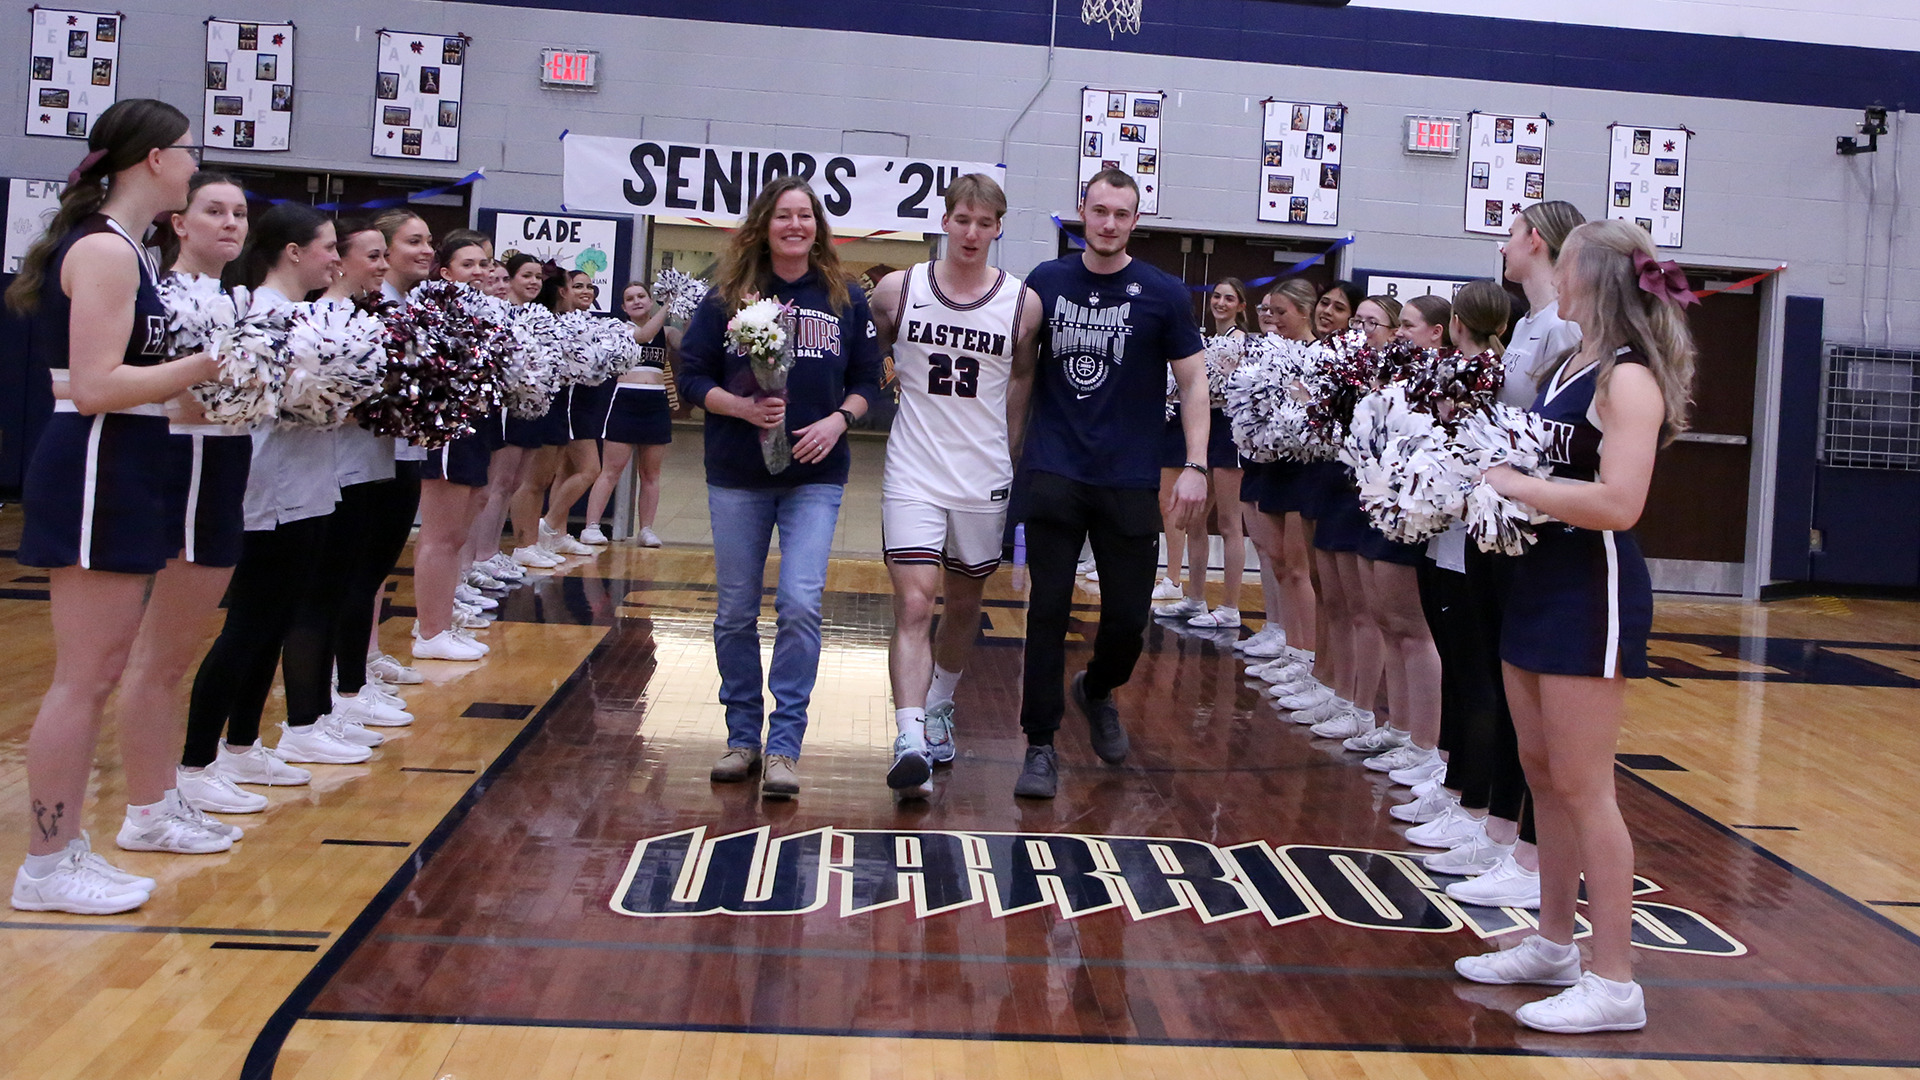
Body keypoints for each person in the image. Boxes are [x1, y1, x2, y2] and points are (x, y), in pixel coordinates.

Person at [1454, 219, 1696, 1035]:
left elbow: (1621, 504)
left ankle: (1617, 981)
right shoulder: (1571, 363)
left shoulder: (1629, 379)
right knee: (1542, 773)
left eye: (1567, 263)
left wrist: (1516, 486)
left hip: (1592, 591)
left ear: (1595, 277)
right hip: (1539, 577)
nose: (1554, 273)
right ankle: (1553, 944)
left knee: (1588, 788)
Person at [8, 101, 236, 914]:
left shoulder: (126, 248)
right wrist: (209, 363)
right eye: (188, 151)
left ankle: (66, 850)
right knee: (84, 678)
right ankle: (46, 866)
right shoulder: (105, 250)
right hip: (96, 465)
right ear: (154, 160)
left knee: (99, 673)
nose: (194, 164)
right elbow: (97, 386)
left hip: (125, 463)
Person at [678, 177, 882, 800]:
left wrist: (837, 420)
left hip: (815, 476)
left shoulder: (845, 297)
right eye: (784, 215)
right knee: (736, 611)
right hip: (737, 475)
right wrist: (742, 408)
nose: (795, 225)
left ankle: (785, 746)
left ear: (818, 227)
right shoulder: (727, 297)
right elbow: (691, 378)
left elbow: (868, 382)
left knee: (799, 603)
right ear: (764, 226)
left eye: (805, 216)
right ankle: (743, 738)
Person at [1013, 168, 1208, 799]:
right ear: (1082, 211)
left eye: (1121, 214)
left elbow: (1194, 384)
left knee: (1128, 619)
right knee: (1047, 610)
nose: (1108, 223)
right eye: (1099, 211)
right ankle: (1040, 745)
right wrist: (1008, 455)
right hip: (1054, 468)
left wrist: (1197, 465)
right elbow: (1019, 372)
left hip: (1128, 476)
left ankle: (1096, 689)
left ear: (1135, 220)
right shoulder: (1046, 281)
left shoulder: (1163, 293)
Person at [184, 204, 380, 780]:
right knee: (247, 627)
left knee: (273, 623)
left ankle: (242, 747)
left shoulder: (310, 317)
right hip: (266, 488)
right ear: (294, 252)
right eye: (329, 247)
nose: (336, 259)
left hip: (310, 483)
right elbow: (235, 401)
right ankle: (196, 762)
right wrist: (314, 396)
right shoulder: (257, 314)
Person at [868, 173, 1040, 799]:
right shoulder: (898, 289)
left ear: (998, 229)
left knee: (965, 605)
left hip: (982, 473)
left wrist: (1009, 451)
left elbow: (1022, 380)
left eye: (984, 223)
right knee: (915, 605)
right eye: (962, 220)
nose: (971, 232)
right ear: (944, 221)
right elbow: (867, 357)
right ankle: (909, 736)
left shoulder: (1022, 304)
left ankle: (940, 704)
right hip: (913, 468)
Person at [1436, 201, 1587, 910]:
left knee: (1528, 701)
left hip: (1541, 530)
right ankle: (1499, 828)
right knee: (1501, 682)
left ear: (1537, 241)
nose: (1502, 245)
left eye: (1510, 232)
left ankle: (1529, 849)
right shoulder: (1527, 324)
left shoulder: (1564, 327)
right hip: (1502, 519)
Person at [160, 172, 301, 816]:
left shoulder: (237, 304)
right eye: (213, 211)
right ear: (179, 223)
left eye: (239, 213)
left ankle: (201, 766)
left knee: (194, 640)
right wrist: (231, 393)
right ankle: (179, 777)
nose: (229, 223)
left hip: (226, 461)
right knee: (169, 651)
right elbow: (174, 399)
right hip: (181, 465)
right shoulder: (164, 297)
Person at [1398, 280, 1522, 878]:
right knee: (1461, 665)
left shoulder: (1485, 379)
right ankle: (1456, 783)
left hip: (1470, 536)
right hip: (1445, 532)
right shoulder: (1453, 375)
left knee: (1475, 673)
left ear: (1453, 325)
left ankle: (1476, 802)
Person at [409, 234, 497, 662]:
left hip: (475, 425)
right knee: (440, 535)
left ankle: (441, 622)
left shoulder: (484, 312)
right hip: (446, 428)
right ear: (445, 273)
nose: (479, 271)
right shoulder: (435, 311)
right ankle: (429, 632)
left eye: (484, 264)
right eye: (468, 265)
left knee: (459, 530)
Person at [1239, 279, 1323, 676]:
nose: (1272, 318)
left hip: (1302, 467)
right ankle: (1290, 648)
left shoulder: (1321, 356)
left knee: (1298, 567)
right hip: (1268, 461)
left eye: (1281, 312)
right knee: (1278, 562)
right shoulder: (1268, 352)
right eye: (1268, 311)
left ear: (1305, 313)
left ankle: (1306, 658)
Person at [1154, 278, 1247, 631]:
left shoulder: (1241, 341)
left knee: (1228, 523)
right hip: (1207, 427)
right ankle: (1194, 597)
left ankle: (1231, 606)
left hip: (1228, 430)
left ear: (1241, 306)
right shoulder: (1207, 340)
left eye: (1229, 298)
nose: (1220, 302)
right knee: (1194, 519)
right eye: (1217, 296)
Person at [582, 279, 675, 547]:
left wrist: (688, 308)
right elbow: (643, 335)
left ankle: (646, 529)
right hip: (626, 401)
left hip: (656, 403)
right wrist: (668, 306)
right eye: (630, 298)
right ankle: (591, 526)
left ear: (650, 300)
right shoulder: (620, 328)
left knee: (651, 473)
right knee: (611, 470)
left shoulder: (667, 332)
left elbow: (691, 344)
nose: (637, 301)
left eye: (641, 296)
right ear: (623, 307)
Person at [539, 270, 613, 555]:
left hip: (587, 403)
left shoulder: (591, 324)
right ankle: (547, 525)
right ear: (563, 291)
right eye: (578, 286)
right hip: (570, 404)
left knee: (566, 471)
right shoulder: (558, 323)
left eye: (590, 286)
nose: (586, 291)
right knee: (590, 469)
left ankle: (557, 534)